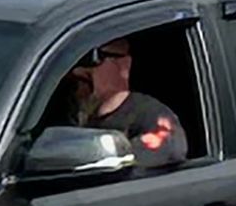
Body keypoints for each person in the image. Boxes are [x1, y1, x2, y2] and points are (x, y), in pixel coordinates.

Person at [62, 36, 188, 169]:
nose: (77, 70)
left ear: (124, 66)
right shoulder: (66, 114)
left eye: (90, 58)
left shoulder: (151, 117)